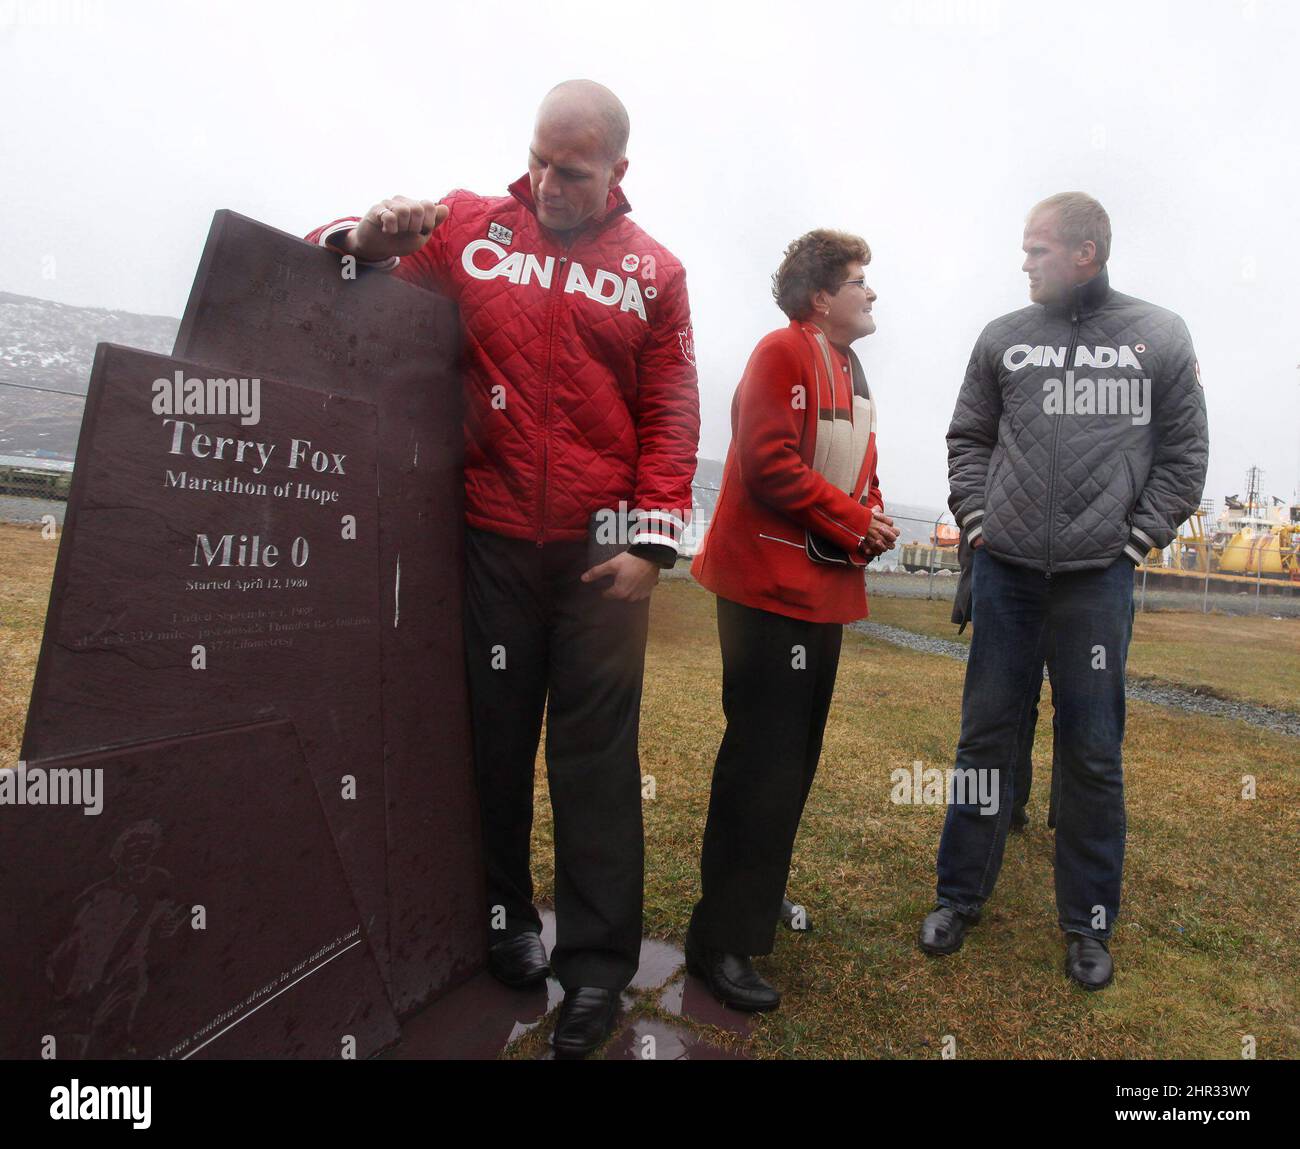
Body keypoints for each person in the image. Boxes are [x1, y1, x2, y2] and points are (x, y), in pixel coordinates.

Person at [306, 80, 700, 1056]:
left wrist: (651, 544)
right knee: (489, 747)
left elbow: (672, 405)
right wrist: (362, 239)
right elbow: (349, 274)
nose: (545, 182)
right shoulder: (470, 228)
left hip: (601, 560)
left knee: (596, 766)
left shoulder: (656, 271)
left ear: (617, 172)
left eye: (570, 171)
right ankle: (506, 923)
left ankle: (598, 975)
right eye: (536, 159)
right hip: (486, 538)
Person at [919, 192, 1208, 989]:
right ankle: (957, 895)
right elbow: (968, 436)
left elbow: (1186, 453)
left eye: (1037, 248)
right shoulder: (1004, 339)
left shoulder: (1158, 335)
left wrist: (1136, 537)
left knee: (1091, 752)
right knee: (984, 739)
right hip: (1007, 574)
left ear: (1086, 251)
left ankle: (1088, 925)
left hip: (1095, 583)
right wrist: (977, 518)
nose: (1024, 262)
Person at [686, 230, 897, 1010]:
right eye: (858, 280)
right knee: (761, 765)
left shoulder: (849, 366)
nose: (871, 292)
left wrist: (870, 514)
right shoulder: (781, 352)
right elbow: (768, 461)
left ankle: (754, 888)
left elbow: (860, 464)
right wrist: (853, 518)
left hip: (822, 590)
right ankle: (720, 940)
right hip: (766, 588)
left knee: (793, 762)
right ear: (820, 297)